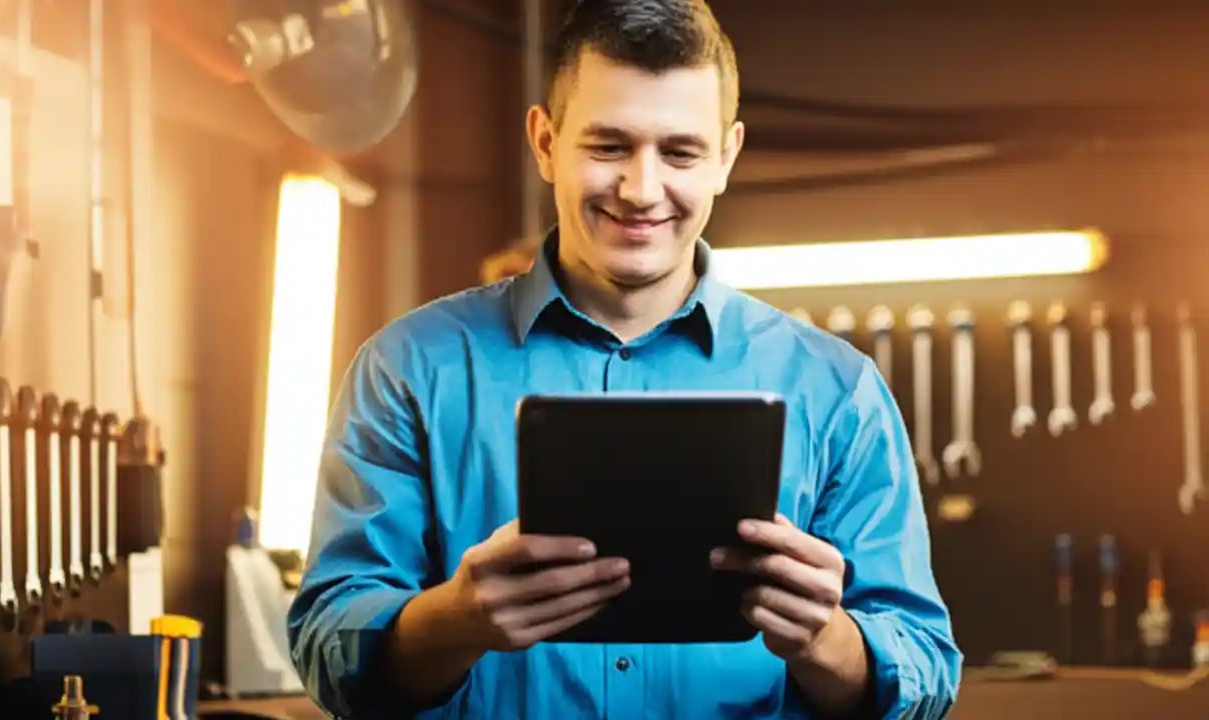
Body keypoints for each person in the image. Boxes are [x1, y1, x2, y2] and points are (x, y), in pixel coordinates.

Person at [288, 1, 963, 718]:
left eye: (680, 152)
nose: (642, 191)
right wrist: (455, 620)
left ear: (727, 156)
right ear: (545, 141)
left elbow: (925, 675)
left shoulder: (839, 393)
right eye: (608, 146)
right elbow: (330, 650)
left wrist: (825, 636)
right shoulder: (407, 370)